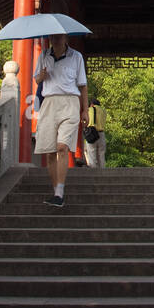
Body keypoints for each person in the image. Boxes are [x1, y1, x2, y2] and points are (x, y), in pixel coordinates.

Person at [33, 33, 87, 208]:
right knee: (50, 152)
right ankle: (56, 190)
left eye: (59, 37)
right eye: (53, 37)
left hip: (70, 101)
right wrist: (41, 76)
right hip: (49, 103)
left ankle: (59, 193)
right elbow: (36, 80)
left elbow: (82, 85)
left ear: (66, 39)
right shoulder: (43, 56)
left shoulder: (76, 56)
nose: (55, 40)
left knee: (62, 147)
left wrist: (85, 110)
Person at [85, 97, 107, 168]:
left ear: (92, 104)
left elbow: (86, 121)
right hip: (101, 133)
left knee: (92, 153)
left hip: (92, 133)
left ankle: (93, 171)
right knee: (101, 154)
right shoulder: (103, 111)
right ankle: (103, 170)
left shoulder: (90, 109)